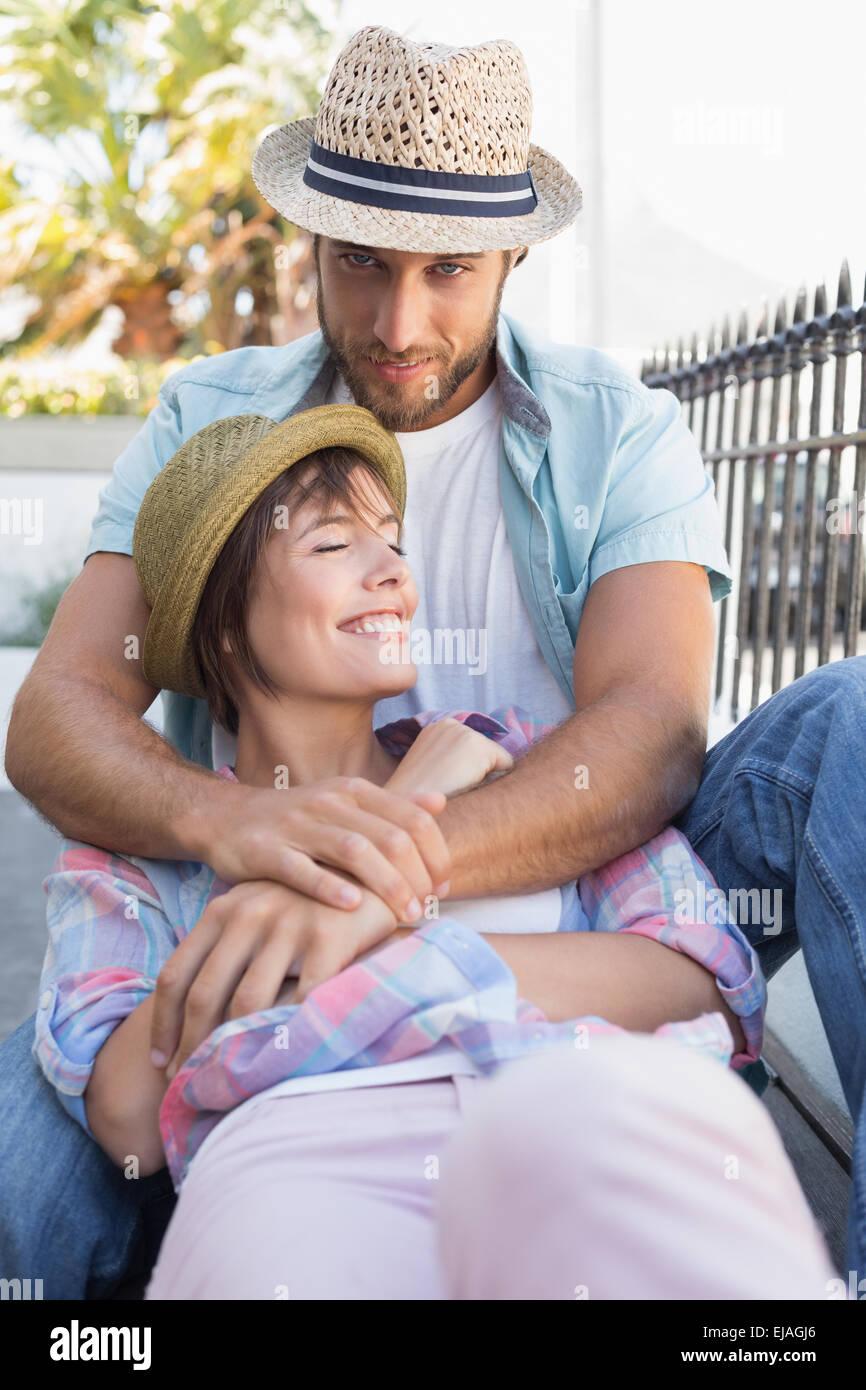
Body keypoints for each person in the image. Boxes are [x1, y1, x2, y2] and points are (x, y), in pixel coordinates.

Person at [1, 23, 863, 1296]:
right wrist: (233, 829)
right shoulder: (215, 419)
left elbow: (648, 729)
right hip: (250, 876)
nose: (398, 321)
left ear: (512, 253)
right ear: (309, 239)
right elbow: (61, 709)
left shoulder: (616, 430)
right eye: (358, 262)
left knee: (852, 716)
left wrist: (376, 879)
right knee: (32, 1191)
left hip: (592, 845)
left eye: (447, 270)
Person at [34, 405, 835, 1299]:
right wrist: (397, 841)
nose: (391, 574)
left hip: (584, 1103)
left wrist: (335, 950)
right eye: (334, 547)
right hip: (306, 1160)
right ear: (224, 626)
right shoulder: (143, 860)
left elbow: (711, 989)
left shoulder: (528, 766)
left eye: (393, 542)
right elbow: (130, 1119)